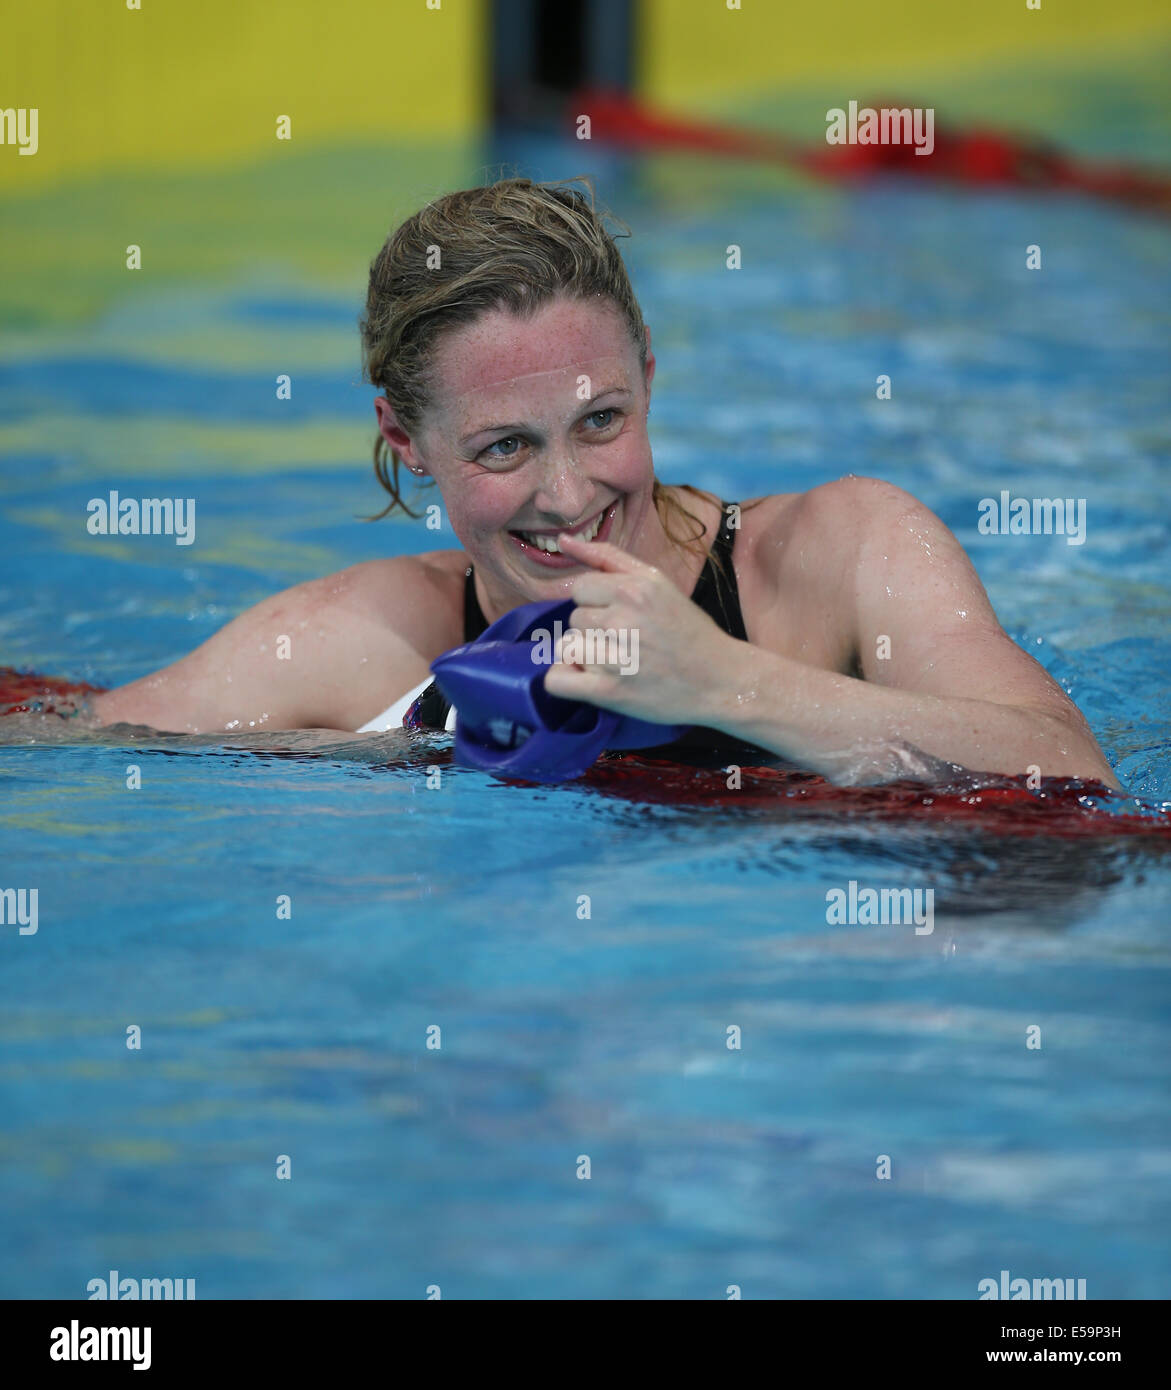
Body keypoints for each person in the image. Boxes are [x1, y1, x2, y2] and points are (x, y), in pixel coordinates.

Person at [90, 176, 1118, 789]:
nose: (570, 492)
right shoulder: (365, 645)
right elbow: (69, 759)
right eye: (504, 448)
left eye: (600, 421)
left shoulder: (839, 556)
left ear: (649, 381)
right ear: (406, 440)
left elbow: (1070, 772)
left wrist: (719, 682)